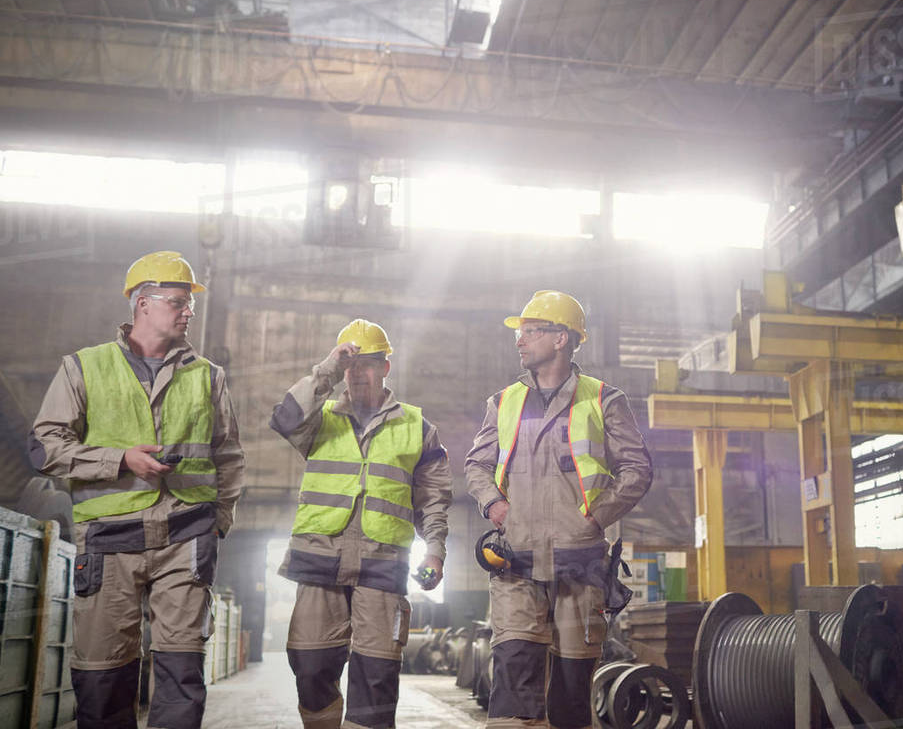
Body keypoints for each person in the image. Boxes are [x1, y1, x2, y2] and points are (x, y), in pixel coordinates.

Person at [29, 250, 245, 729]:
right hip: (109, 541)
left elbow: (228, 457)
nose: (189, 311)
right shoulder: (84, 367)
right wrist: (119, 460)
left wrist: (218, 523)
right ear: (143, 304)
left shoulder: (208, 376)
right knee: (102, 674)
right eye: (179, 301)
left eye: (190, 303)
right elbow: (45, 448)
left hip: (186, 537)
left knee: (182, 672)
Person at [465, 290, 653, 729]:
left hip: (580, 566)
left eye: (532, 331)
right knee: (513, 687)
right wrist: (493, 503)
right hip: (516, 563)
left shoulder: (604, 399)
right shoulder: (504, 401)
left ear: (562, 339)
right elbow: (477, 465)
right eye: (521, 332)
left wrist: (594, 517)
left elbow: (637, 469)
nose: (520, 340)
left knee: (570, 698)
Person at [270, 318, 451, 729]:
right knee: (311, 667)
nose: (357, 374)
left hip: (382, 566)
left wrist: (436, 552)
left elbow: (434, 500)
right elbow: (284, 418)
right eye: (350, 365)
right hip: (319, 561)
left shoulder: (417, 427)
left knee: (377, 677)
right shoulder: (321, 418)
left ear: (386, 368)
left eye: (367, 363)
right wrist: (328, 368)